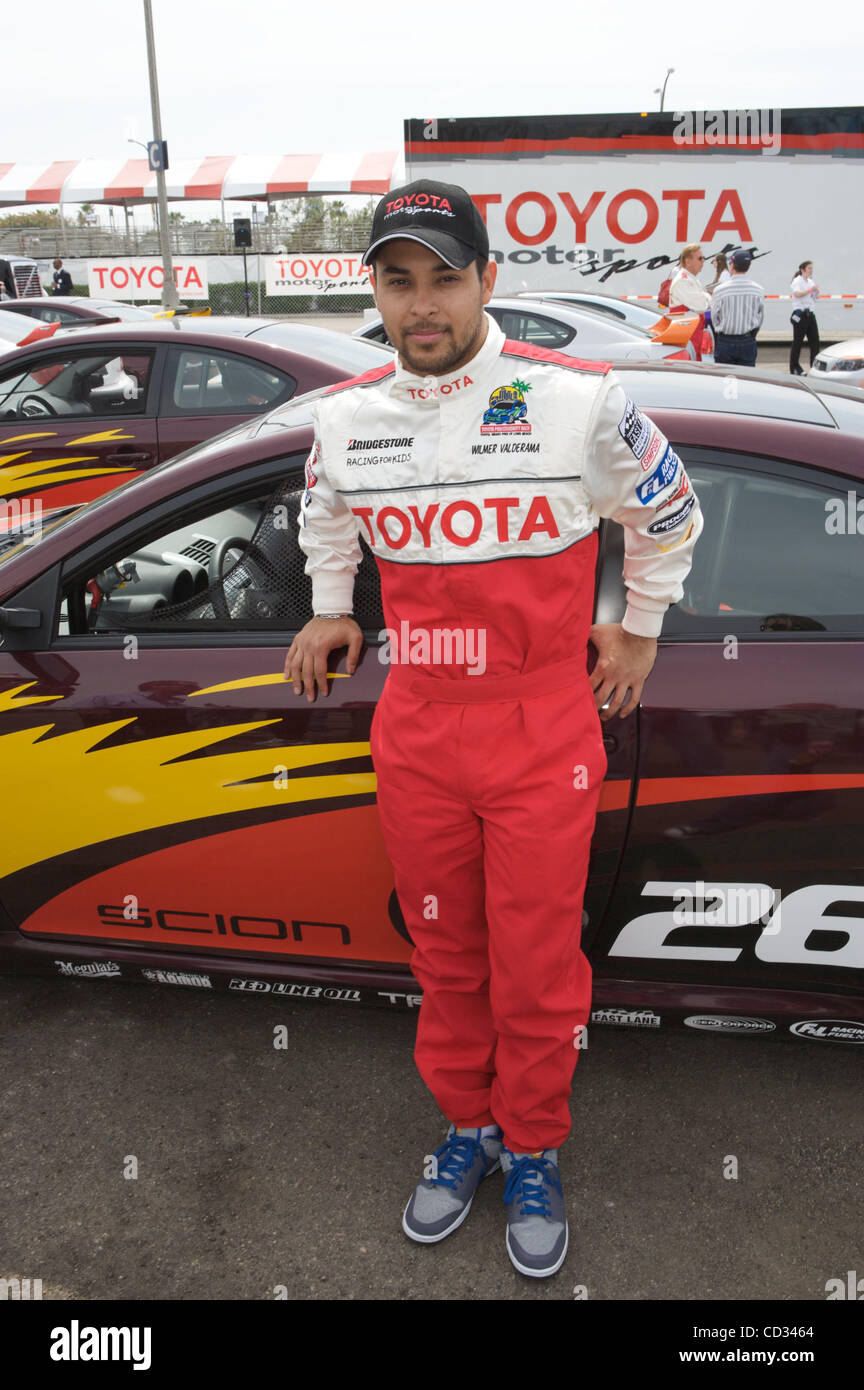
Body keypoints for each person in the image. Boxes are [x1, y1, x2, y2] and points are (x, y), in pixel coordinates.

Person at [284, 178, 702, 1280]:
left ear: (485, 282)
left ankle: (534, 1146)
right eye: (397, 280)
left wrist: (641, 631)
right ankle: (468, 1127)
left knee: (534, 963)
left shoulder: (582, 397)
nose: (421, 305)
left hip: (539, 727)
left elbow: (668, 511)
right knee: (446, 952)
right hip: (418, 725)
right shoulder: (345, 415)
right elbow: (322, 509)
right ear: (374, 288)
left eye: (444, 279)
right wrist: (334, 601)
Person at [710, 249, 765, 366]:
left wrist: (720, 329)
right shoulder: (758, 290)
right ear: (748, 267)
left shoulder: (720, 290)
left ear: (732, 265)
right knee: (747, 379)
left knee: (724, 379)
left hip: (725, 341)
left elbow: (714, 316)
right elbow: (760, 317)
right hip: (747, 340)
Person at [789, 260, 821, 375]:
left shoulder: (811, 282)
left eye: (812, 268)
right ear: (802, 270)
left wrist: (816, 291)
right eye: (809, 268)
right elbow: (797, 294)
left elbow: (814, 297)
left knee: (815, 342)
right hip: (800, 314)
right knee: (797, 342)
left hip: (810, 314)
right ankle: (795, 367)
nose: (811, 270)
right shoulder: (797, 281)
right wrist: (810, 290)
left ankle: (814, 367)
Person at [667, 243, 712, 314]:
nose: (703, 261)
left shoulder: (690, 278)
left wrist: (705, 297)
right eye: (700, 258)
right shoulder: (682, 281)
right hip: (684, 324)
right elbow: (701, 306)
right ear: (688, 262)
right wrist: (707, 296)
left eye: (704, 258)